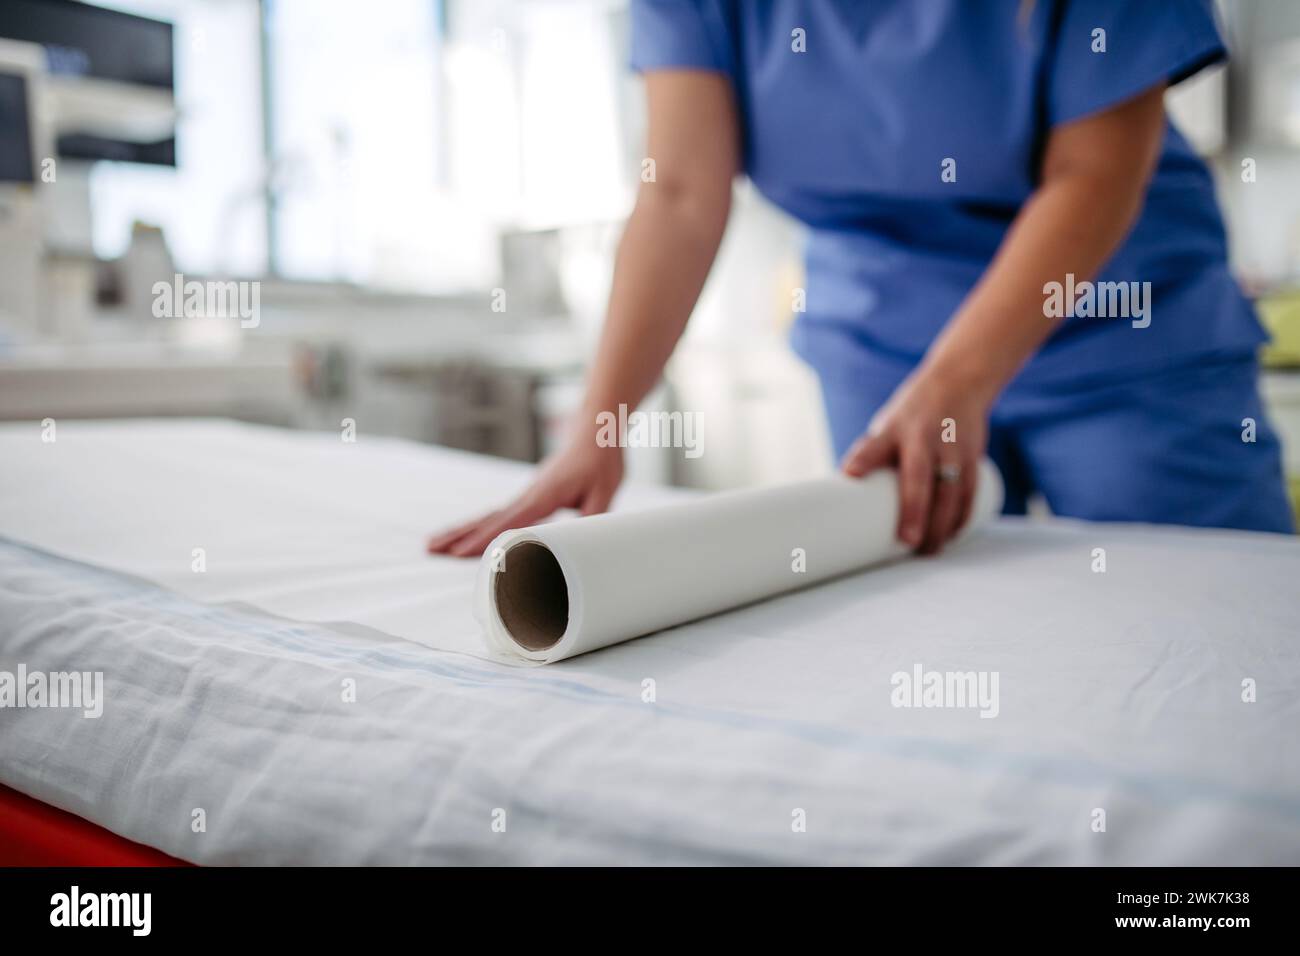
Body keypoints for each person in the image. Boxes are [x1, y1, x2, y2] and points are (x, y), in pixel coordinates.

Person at [429, 0, 1294, 560]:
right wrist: (600, 424)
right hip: (882, 334)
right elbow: (683, 195)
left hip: (1116, 320)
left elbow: (1092, 177)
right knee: (926, 617)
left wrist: (957, 380)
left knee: (1191, 607)